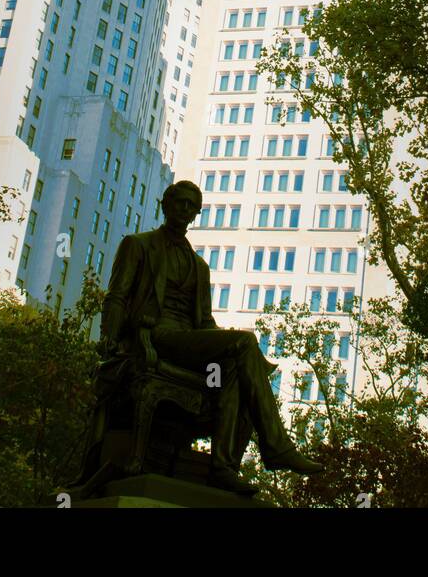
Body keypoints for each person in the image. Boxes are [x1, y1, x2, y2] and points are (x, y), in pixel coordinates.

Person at [99, 179, 324, 494]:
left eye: (192, 206)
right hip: (156, 335)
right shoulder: (138, 244)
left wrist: (225, 342)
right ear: (166, 204)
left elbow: (204, 321)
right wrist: (109, 337)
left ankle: (221, 467)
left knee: (234, 367)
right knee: (244, 343)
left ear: (196, 214)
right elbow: (117, 296)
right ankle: (276, 446)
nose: (186, 210)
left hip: (188, 341)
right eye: (180, 202)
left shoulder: (199, 266)